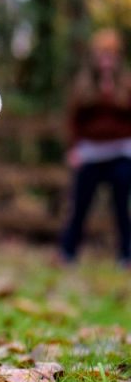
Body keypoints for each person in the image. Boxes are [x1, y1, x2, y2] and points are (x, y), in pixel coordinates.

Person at [60, 28, 131, 266]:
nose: (106, 60)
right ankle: (68, 252)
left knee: (122, 205)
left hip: (121, 153)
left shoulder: (126, 84)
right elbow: (72, 121)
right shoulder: (83, 86)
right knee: (80, 204)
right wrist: (73, 150)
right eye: (102, 55)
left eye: (110, 55)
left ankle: (126, 254)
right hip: (90, 153)